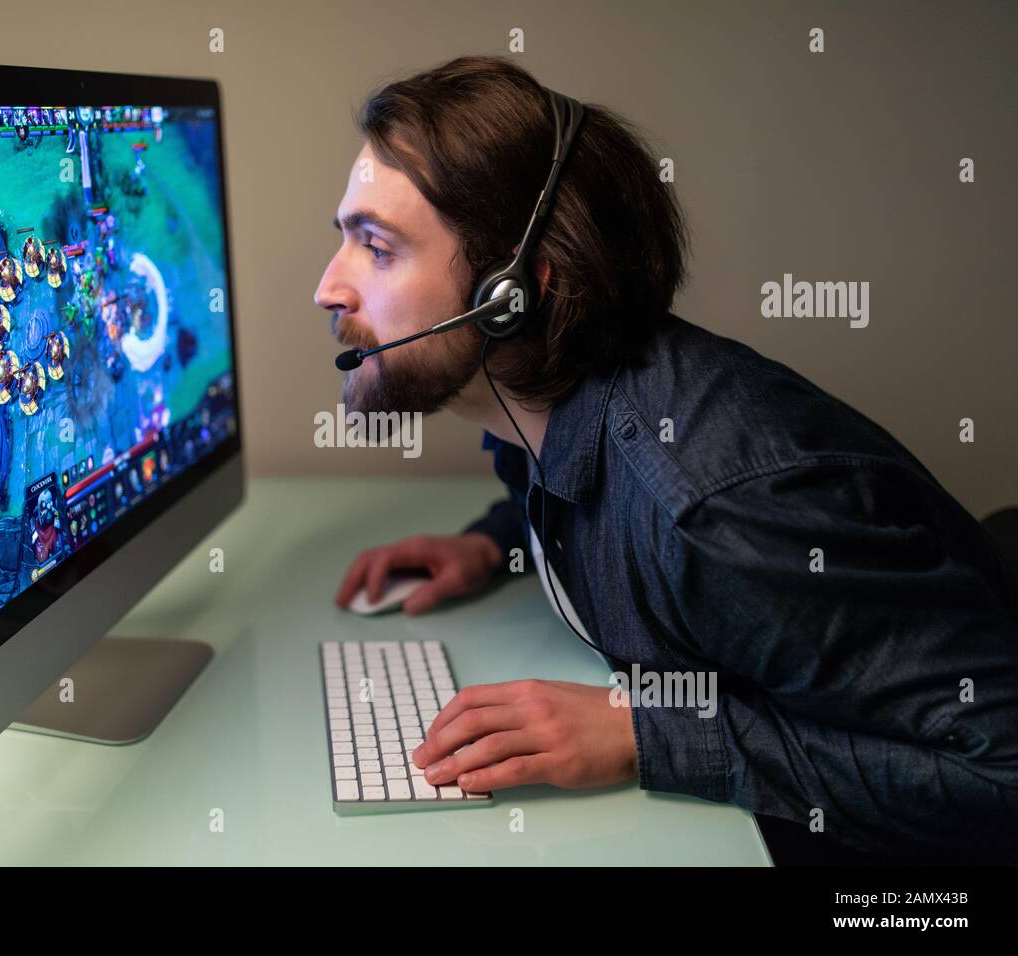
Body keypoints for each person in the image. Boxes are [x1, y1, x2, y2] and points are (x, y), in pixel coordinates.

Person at [315, 55, 1018, 863]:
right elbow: (577, 479)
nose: (327, 288)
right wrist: (495, 541)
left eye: (377, 248)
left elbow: (1000, 769)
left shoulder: (714, 511)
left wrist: (643, 735)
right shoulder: (535, 393)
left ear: (514, 296)